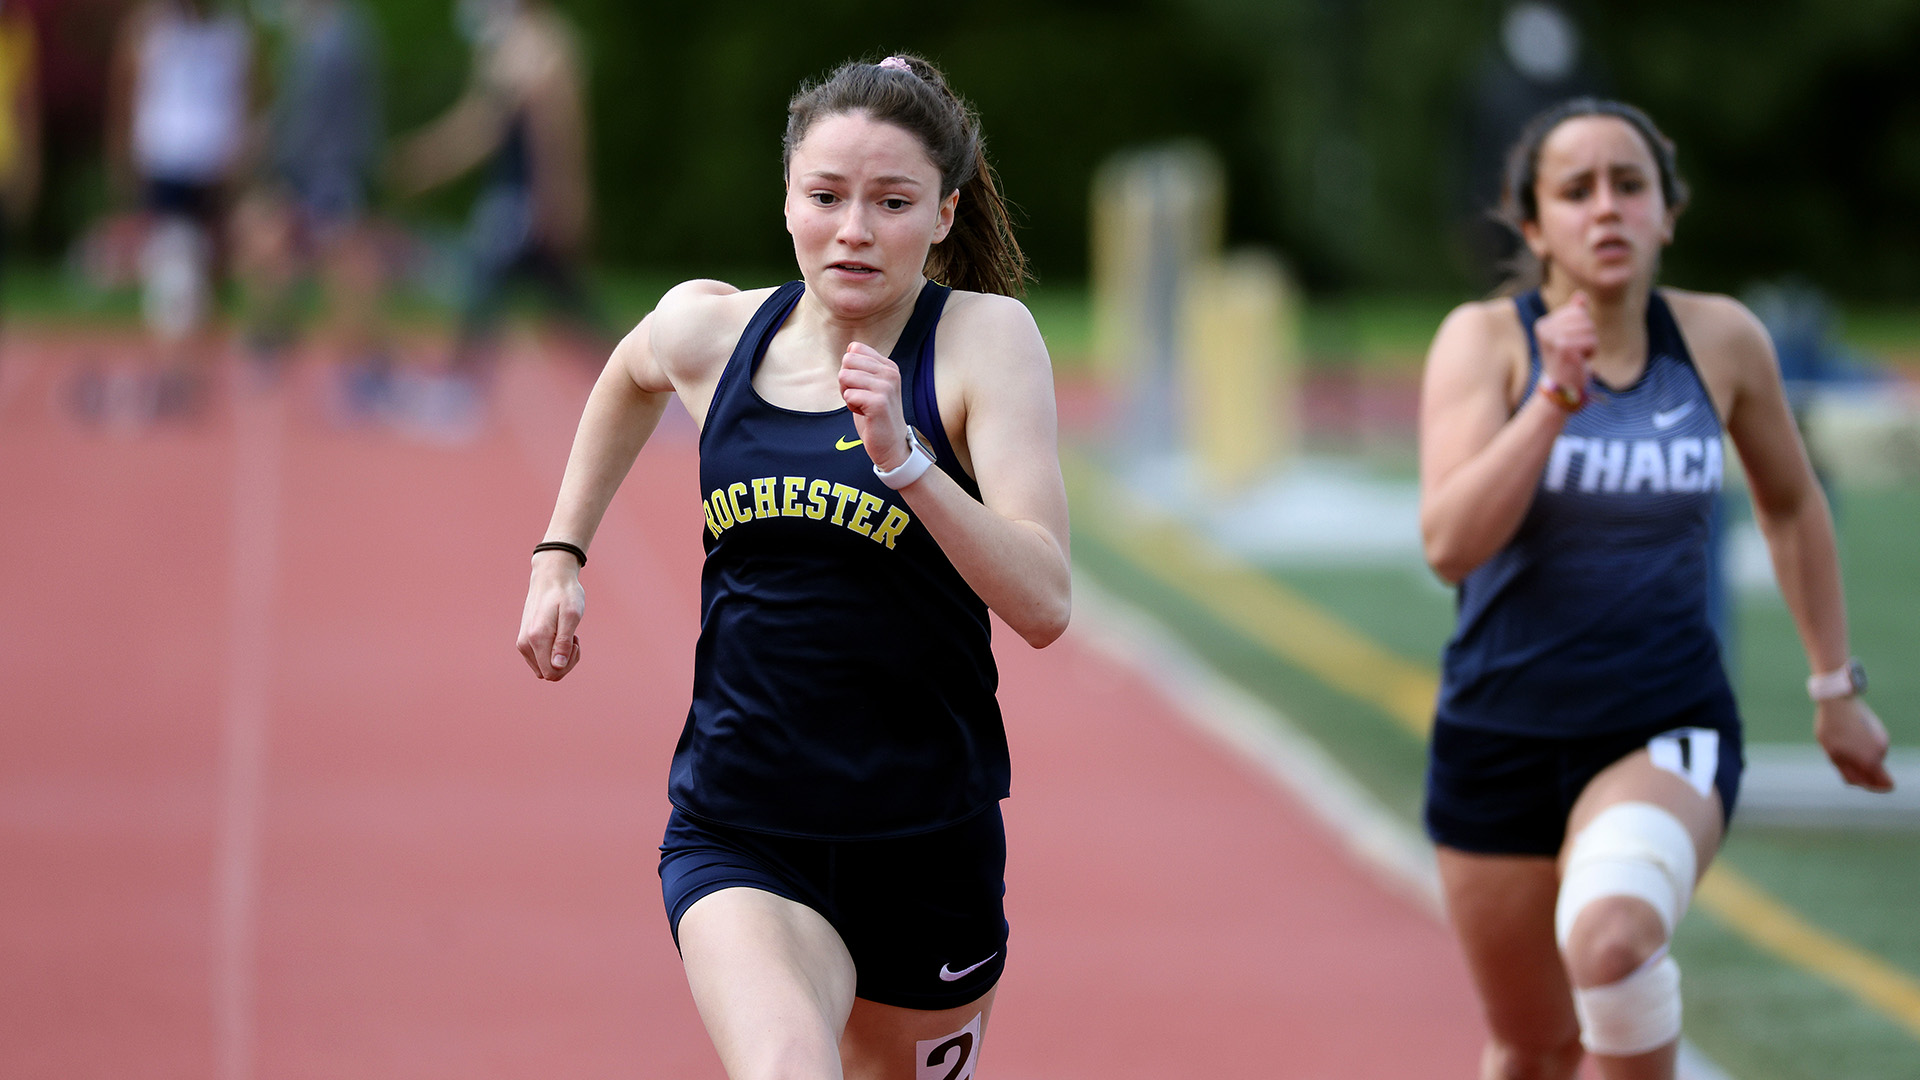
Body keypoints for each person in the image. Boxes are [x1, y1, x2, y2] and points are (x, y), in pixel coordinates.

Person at [514, 54, 1069, 1080]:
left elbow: (1043, 600)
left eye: (891, 201)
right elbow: (631, 371)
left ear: (944, 213)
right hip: (743, 828)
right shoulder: (714, 331)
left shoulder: (985, 344)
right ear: (787, 202)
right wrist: (561, 551)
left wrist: (909, 465)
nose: (854, 229)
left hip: (927, 843)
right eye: (826, 197)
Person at [1417, 97, 1895, 1080]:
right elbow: (1451, 545)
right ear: (1534, 223)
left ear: (1667, 214)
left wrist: (1833, 687)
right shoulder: (1486, 343)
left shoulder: (1719, 343)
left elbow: (1793, 505)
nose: (1607, 209)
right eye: (1577, 190)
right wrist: (1553, 398)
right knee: (1532, 1047)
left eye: (1630, 186)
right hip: (1497, 735)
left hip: (1662, 721)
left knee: (1614, 944)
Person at [391, 0, 599, 376]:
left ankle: (458, 384)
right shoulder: (535, 44)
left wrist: (557, 196)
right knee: (562, 295)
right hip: (518, 195)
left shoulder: (530, 48)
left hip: (519, 198)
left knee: (486, 286)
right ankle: (647, 376)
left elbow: (526, 130)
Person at [104, 0, 254, 408]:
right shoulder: (150, 28)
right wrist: (122, 155)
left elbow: (243, 93)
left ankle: (195, 364)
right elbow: (126, 89)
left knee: (209, 269)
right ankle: (173, 367)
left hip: (211, 164)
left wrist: (239, 155)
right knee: (170, 266)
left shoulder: (230, 32)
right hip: (165, 161)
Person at [230, 0, 386, 377]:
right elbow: (294, 108)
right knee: (266, 246)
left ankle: (360, 363)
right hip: (305, 168)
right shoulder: (312, 37)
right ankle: (274, 334)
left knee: (344, 267)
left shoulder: (340, 39)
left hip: (325, 169)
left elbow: (329, 114)